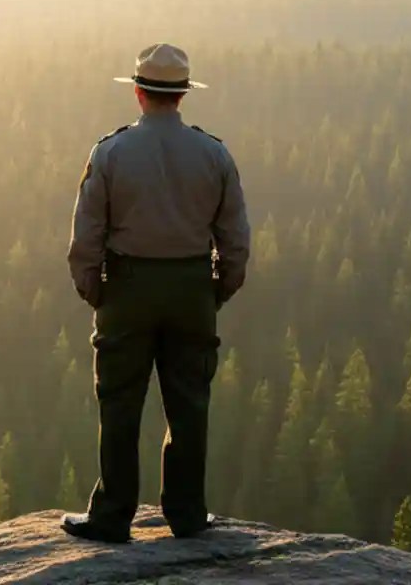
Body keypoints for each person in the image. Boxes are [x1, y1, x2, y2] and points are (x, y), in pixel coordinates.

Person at [63, 43, 251, 543]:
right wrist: (216, 291)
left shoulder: (111, 152)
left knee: (119, 403)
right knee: (190, 404)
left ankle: (112, 517)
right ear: (182, 95)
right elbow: (235, 240)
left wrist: (95, 291)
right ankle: (187, 515)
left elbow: (87, 235)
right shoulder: (214, 154)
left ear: (140, 94)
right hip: (192, 288)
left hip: (126, 288)